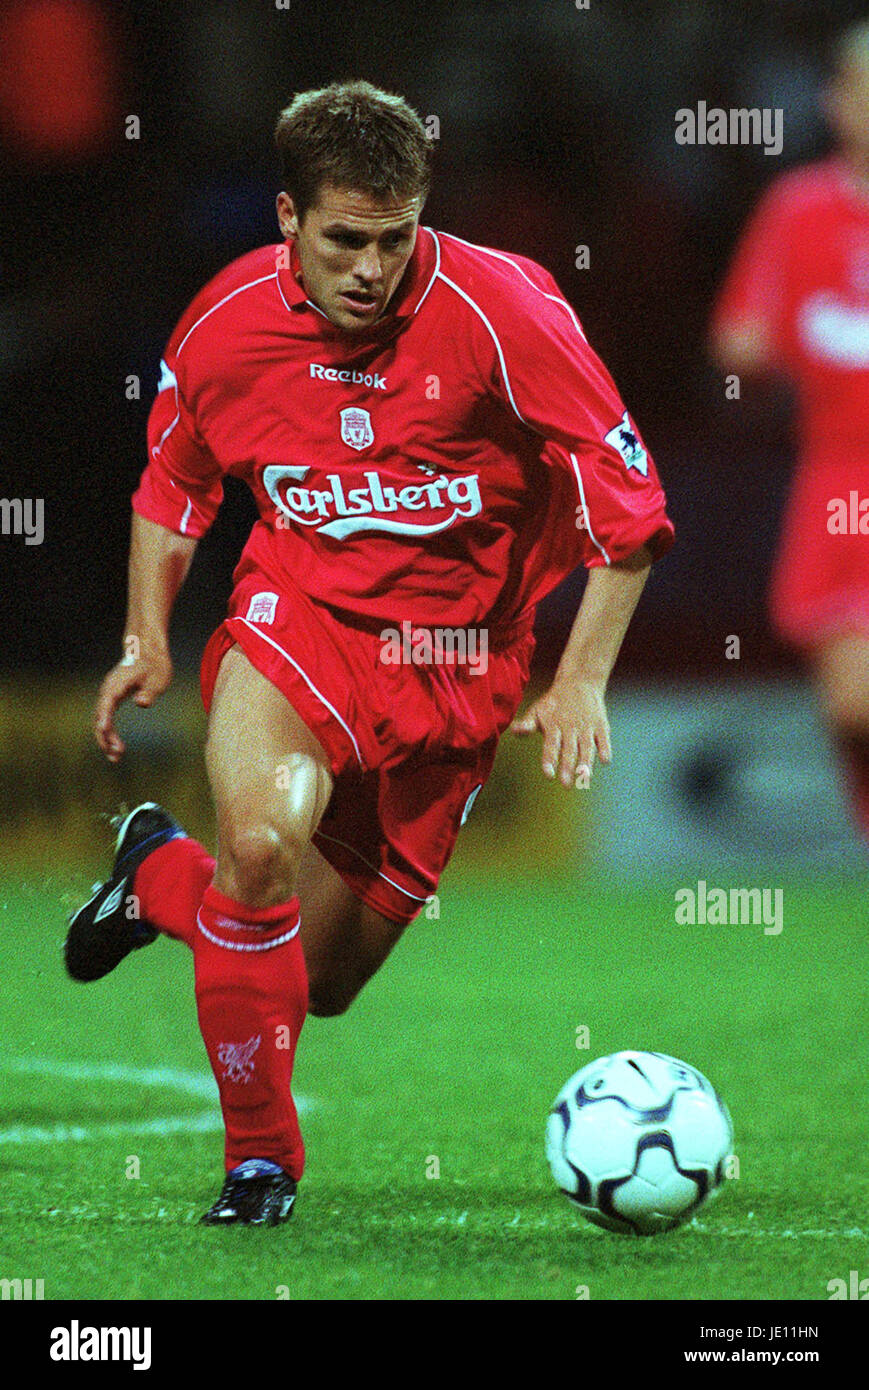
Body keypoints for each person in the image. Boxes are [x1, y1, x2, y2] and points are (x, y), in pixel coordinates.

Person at [65, 81, 674, 1226]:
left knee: (317, 984)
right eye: (346, 239)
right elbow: (174, 483)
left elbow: (630, 510)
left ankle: (153, 876)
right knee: (259, 849)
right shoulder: (222, 323)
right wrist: (148, 636)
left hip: (461, 664)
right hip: (302, 629)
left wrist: (580, 674)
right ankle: (261, 1163)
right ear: (287, 218)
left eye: (397, 240)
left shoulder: (506, 312)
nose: (372, 269)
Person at [710, 20, 869, 843]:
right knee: (850, 709)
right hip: (839, 480)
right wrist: (767, 351)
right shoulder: (797, 207)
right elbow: (737, 338)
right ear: (835, 103)